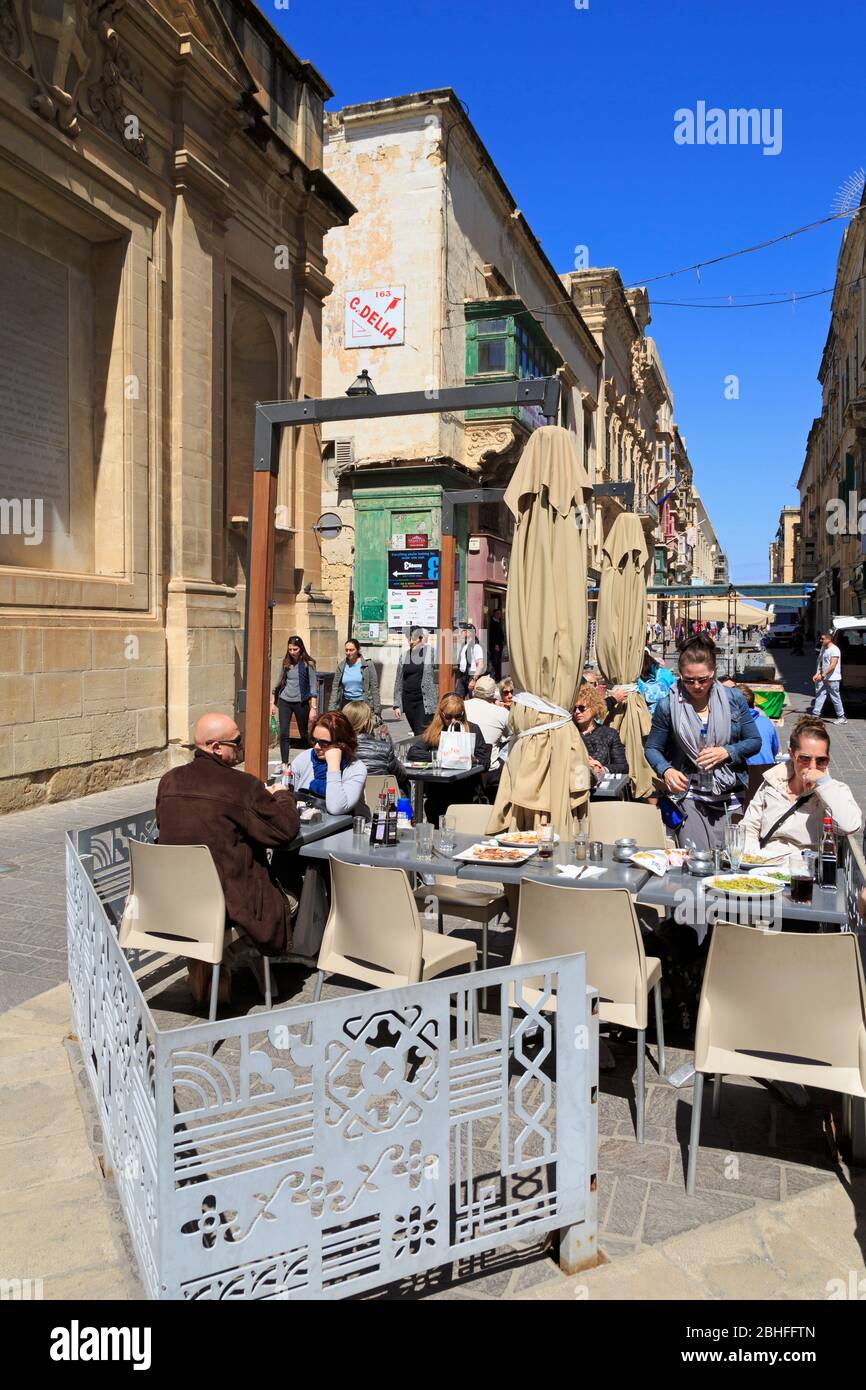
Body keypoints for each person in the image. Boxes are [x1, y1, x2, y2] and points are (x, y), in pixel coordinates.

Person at [156, 713, 300, 994]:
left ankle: (206, 964)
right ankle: (222, 959)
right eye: (237, 741)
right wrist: (282, 795)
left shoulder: (169, 781)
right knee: (291, 901)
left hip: (175, 898)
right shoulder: (242, 786)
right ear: (216, 747)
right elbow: (284, 831)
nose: (241, 747)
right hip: (227, 902)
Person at [645, 633, 761, 850]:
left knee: (729, 861)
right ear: (680, 675)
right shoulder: (668, 705)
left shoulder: (734, 699)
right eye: (689, 680)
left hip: (730, 796)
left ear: (713, 672)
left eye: (703, 679)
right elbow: (652, 748)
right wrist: (666, 770)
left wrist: (727, 751)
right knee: (696, 860)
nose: (696, 685)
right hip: (689, 796)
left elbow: (754, 741)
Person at [739, 716, 860, 854]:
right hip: (768, 860)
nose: (812, 766)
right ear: (791, 754)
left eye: (821, 760)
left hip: (807, 863)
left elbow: (848, 826)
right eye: (804, 759)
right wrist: (754, 855)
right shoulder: (772, 782)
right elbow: (749, 826)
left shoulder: (834, 790)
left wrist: (823, 783)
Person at [407, 693, 489, 821]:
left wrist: (475, 760)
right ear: (441, 714)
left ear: (463, 714)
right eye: (449, 717)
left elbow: (486, 762)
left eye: (458, 716)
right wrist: (441, 756)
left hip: (466, 790)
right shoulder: (435, 731)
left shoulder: (472, 729)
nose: (453, 721)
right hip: (439, 791)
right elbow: (413, 752)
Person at [290, 709, 367, 814]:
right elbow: (288, 794)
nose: (316, 747)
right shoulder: (305, 758)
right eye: (314, 740)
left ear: (342, 744)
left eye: (324, 743)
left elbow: (336, 808)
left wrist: (333, 766)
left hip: (347, 823)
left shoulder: (355, 768)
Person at [272, 635, 317, 766]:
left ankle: (311, 760)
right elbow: (279, 681)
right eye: (290, 649)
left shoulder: (309, 664)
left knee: (304, 734)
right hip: (285, 700)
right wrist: (272, 702)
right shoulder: (286, 663)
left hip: (301, 701)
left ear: (301, 648)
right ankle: (284, 763)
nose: (292, 652)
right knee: (284, 733)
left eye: (295, 649)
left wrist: (313, 708)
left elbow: (313, 686)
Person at [343, 700, 407, 787]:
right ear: (366, 723)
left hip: (346, 793)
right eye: (371, 718)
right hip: (378, 793)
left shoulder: (336, 748)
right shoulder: (384, 749)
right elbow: (401, 775)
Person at [573, 683, 628, 779]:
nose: (577, 712)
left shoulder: (609, 733)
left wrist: (603, 769)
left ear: (594, 708)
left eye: (582, 708)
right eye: (574, 708)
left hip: (601, 785)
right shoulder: (569, 733)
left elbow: (623, 766)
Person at [464, 674, 511, 781]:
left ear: (474, 690)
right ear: (493, 695)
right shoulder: (502, 712)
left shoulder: (461, 705)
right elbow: (512, 734)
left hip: (462, 767)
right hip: (489, 771)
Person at [393, 627, 437, 734]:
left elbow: (439, 676)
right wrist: (397, 705)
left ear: (421, 638)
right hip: (408, 701)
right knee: (416, 731)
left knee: (420, 731)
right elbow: (399, 681)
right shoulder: (404, 656)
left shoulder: (431, 653)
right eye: (409, 638)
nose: (410, 642)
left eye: (413, 639)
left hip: (424, 701)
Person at [329, 638, 381, 717]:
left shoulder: (367, 664)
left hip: (363, 704)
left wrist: (377, 709)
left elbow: (374, 687)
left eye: (351, 650)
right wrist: (332, 709)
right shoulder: (341, 666)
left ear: (358, 650)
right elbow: (335, 687)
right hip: (346, 704)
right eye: (346, 650)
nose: (348, 653)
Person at [736, 683, 779, 765]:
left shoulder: (731, 724)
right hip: (767, 768)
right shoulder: (766, 721)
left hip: (746, 770)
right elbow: (775, 749)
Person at [811, 630, 846, 723]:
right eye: (820, 639)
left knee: (835, 698)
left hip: (833, 679)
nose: (820, 640)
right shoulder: (824, 648)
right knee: (820, 695)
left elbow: (833, 665)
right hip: (824, 677)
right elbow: (822, 663)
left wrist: (822, 675)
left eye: (822, 639)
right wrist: (817, 673)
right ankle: (815, 715)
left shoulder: (834, 650)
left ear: (829, 639)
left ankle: (841, 717)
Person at [455, 624, 485, 697]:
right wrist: (458, 679)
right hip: (463, 677)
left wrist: (474, 680)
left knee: (472, 700)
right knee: (458, 699)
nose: (462, 632)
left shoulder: (476, 646)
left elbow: (480, 665)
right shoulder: (464, 646)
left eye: (464, 630)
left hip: (472, 676)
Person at [488, 607, 506, 682]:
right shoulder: (492, 622)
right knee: (494, 661)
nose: (499, 615)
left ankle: (498, 676)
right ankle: (494, 676)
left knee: (498, 661)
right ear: (494, 614)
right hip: (495, 645)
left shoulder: (499, 622)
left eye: (500, 614)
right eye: (497, 613)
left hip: (499, 644)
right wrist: (496, 645)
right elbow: (493, 635)